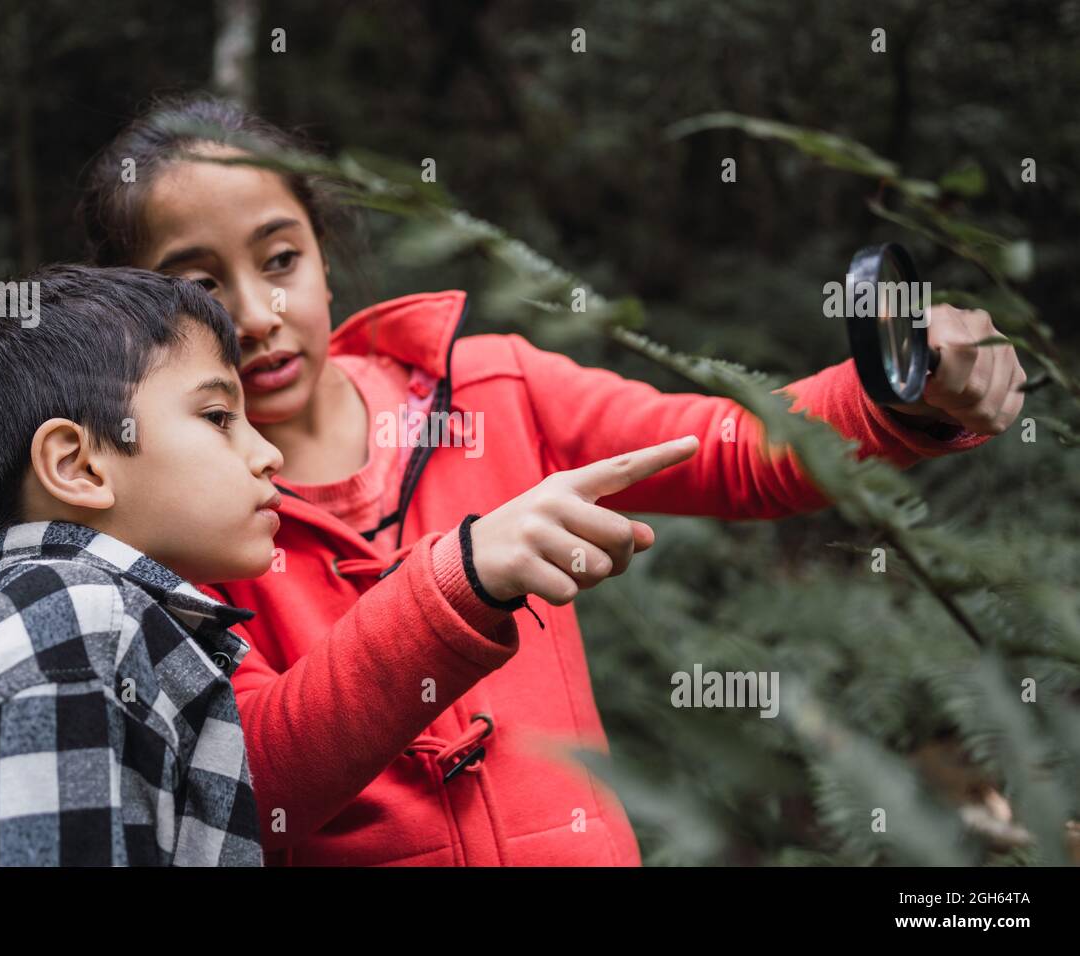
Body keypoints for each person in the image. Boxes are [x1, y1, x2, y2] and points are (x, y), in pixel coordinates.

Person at [79, 93, 1025, 866]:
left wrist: (899, 393)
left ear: (324, 254)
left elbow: (734, 452)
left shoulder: (496, 385)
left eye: (282, 258)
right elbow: (253, 777)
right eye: (196, 289)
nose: (257, 313)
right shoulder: (166, 517)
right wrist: (460, 580)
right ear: (130, 319)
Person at [0, 265, 282, 865]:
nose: (269, 455)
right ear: (77, 466)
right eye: (218, 418)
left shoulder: (71, 615)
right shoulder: (71, 618)